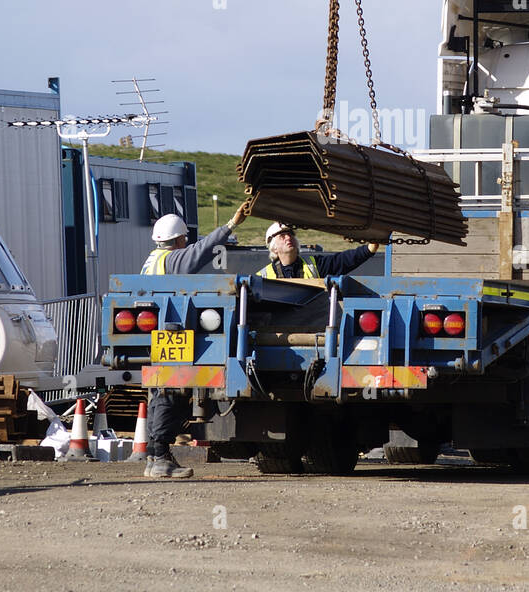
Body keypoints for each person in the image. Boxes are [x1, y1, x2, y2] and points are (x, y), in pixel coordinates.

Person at [143, 200, 251, 480]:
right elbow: (200, 252)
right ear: (179, 239)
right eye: (183, 240)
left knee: (159, 391)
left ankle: (155, 456)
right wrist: (230, 225)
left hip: (158, 331)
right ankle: (161, 458)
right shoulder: (174, 259)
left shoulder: (152, 259)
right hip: (172, 330)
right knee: (171, 391)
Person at [257, 223, 379, 279]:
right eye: (282, 236)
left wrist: (368, 250)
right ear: (274, 247)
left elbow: (342, 261)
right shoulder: (262, 276)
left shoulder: (314, 265)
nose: (288, 238)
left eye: (290, 234)